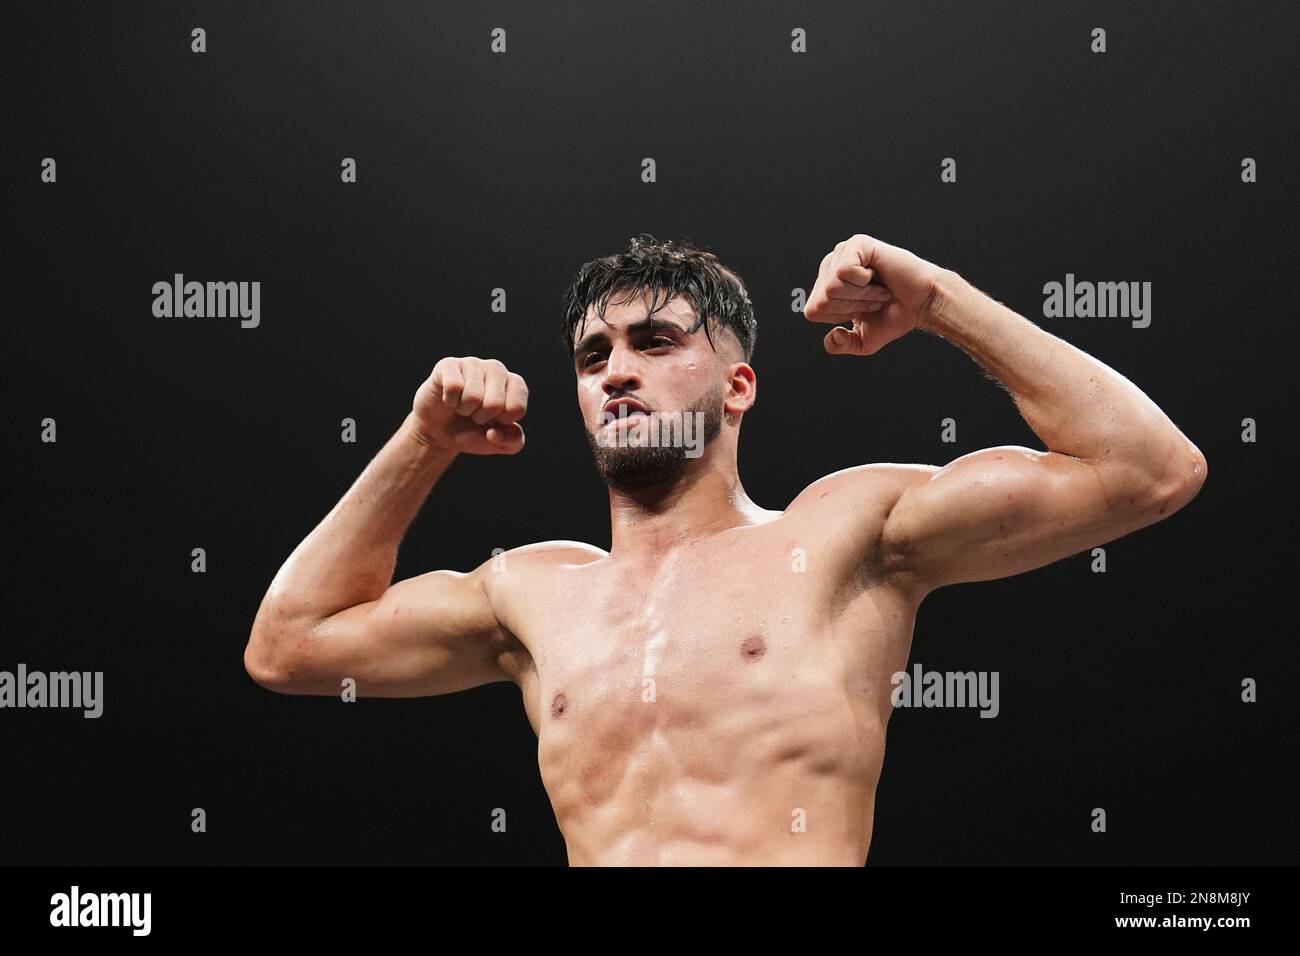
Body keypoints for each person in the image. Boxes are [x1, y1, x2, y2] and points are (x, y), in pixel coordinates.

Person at [244, 233, 1207, 865]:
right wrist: (423, 441)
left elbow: (1150, 471)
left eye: (656, 342)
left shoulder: (846, 534)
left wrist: (941, 301)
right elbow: (288, 648)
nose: (618, 371)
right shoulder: (531, 593)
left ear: (738, 387)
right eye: (593, 357)